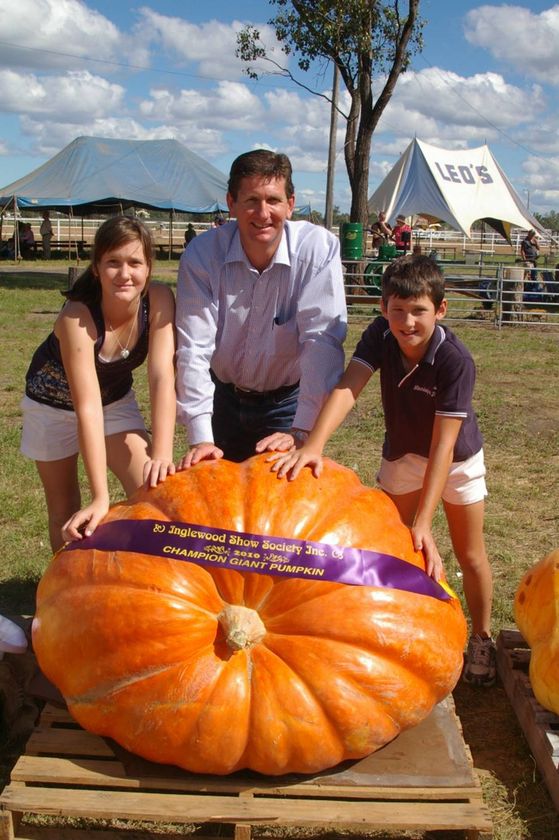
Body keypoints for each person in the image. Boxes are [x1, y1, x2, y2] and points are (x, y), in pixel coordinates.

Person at [269, 255, 495, 687]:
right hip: (402, 458)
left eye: (418, 311)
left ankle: (481, 636)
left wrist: (426, 521)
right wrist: (312, 446)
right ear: (383, 307)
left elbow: (444, 444)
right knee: (391, 548)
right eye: (397, 310)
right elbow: (348, 386)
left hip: (457, 461)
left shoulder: (455, 360)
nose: (407, 321)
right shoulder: (379, 335)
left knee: (469, 554)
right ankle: (397, 629)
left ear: (440, 310)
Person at [175, 148, 347, 466]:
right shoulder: (202, 256)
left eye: (273, 200)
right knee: (216, 504)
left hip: (287, 403)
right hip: (222, 396)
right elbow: (193, 347)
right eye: (251, 200)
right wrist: (201, 435)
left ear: (291, 205)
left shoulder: (317, 251)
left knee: (280, 505)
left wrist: (302, 430)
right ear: (231, 204)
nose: (262, 213)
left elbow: (321, 343)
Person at [20, 216, 176, 552]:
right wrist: (100, 496)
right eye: (113, 263)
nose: (124, 274)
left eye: (135, 262)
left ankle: (149, 585)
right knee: (65, 507)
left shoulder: (160, 299)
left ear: (149, 267)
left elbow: (162, 374)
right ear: (96, 268)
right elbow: (86, 408)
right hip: (50, 406)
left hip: (115, 401)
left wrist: (162, 452)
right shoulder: (76, 317)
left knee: (152, 492)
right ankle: (66, 596)